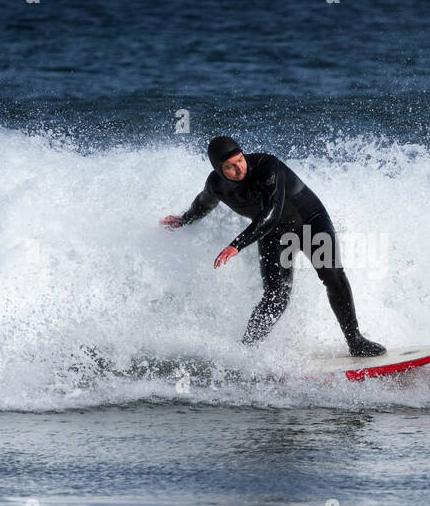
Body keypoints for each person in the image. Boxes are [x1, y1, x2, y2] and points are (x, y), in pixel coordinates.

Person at [162, 136, 387, 357]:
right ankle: (246, 352)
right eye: (230, 167)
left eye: (240, 160)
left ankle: (355, 341)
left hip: (310, 222)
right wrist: (183, 221)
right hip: (274, 234)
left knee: (332, 276)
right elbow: (203, 203)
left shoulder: (266, 166)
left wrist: (236, 245)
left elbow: (272, 212)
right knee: (275, 296)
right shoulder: (216, 185)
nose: (239, 169)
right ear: (218, 169)